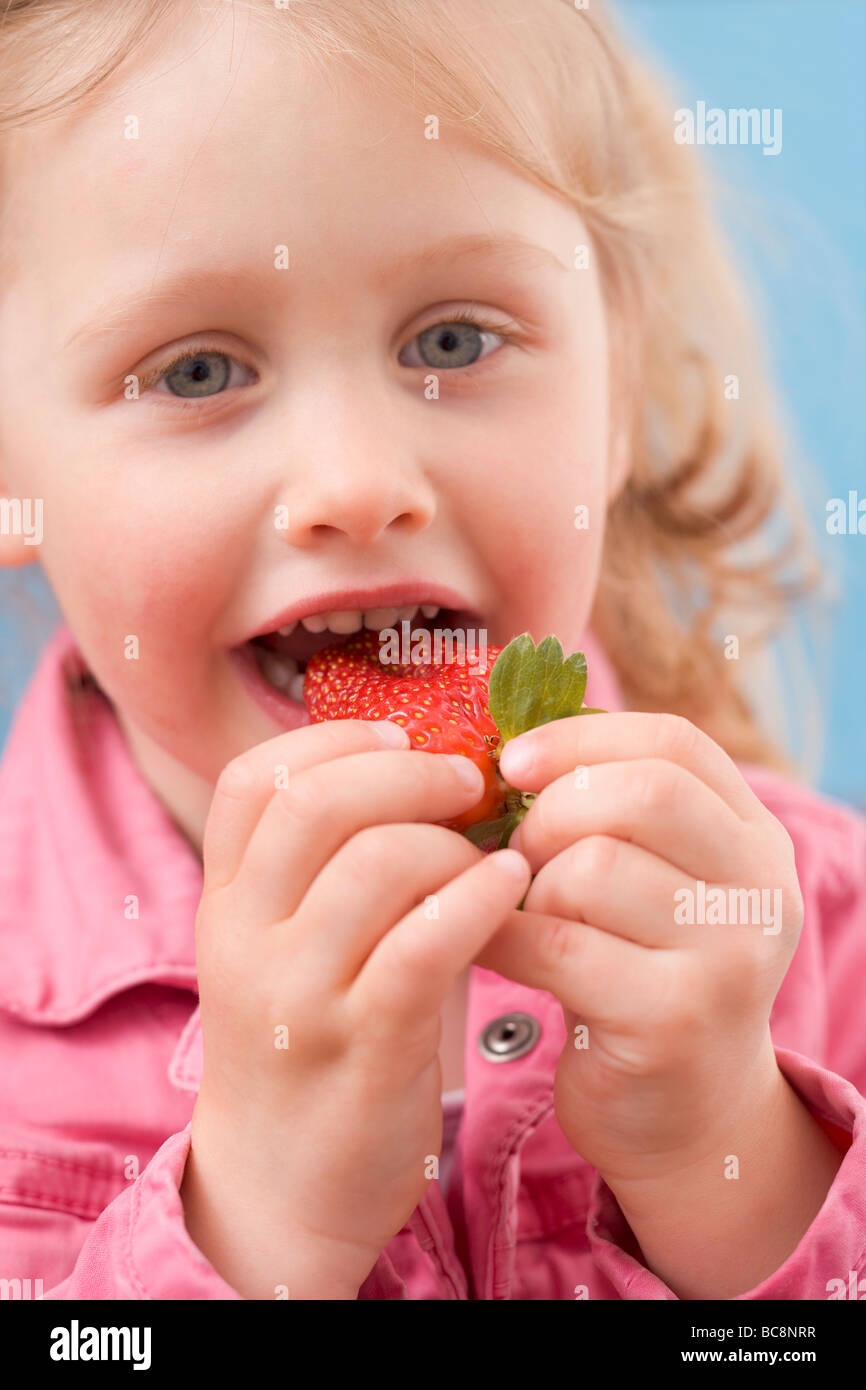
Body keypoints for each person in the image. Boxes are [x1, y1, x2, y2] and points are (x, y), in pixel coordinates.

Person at [0, 0, 861, 1301]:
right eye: (193, 372)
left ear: (617, 393)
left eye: (452, 341)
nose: (356, 481)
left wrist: (728, 1160)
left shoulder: (828, 938)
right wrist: (254, 1228)